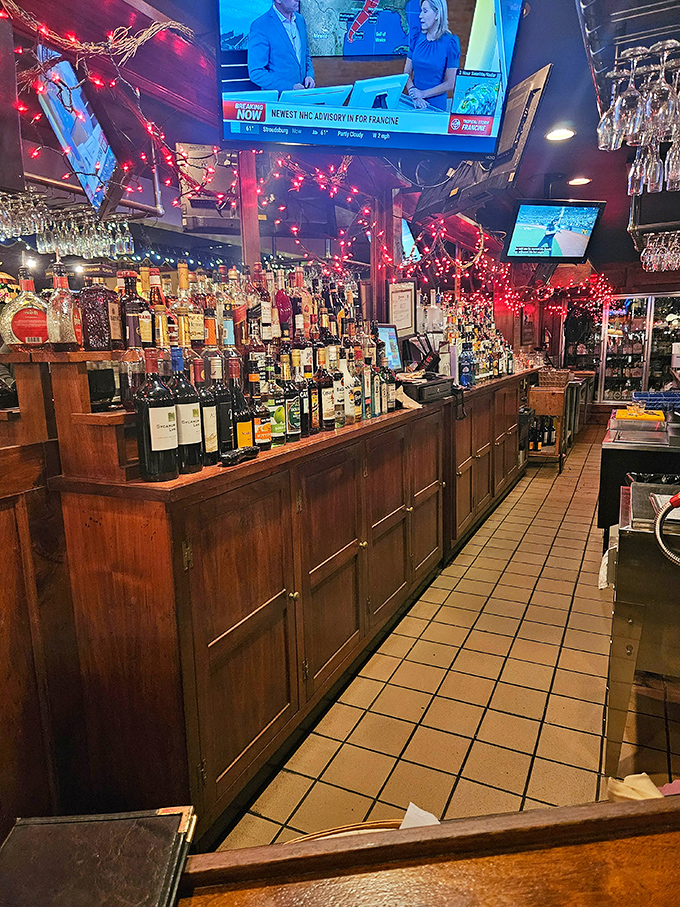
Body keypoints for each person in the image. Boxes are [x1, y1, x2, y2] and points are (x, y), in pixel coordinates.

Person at [248, 0, 315, 93]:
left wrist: (310, 75)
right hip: (279, 101)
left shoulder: (300, 20)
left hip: (303, 96)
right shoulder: (260, 26)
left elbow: (306, 55)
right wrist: (290, 87)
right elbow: (256, 72)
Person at [404, 0, 460, 111]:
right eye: (421, 11)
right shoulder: (416, 38)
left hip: (435, 106)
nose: (420, 16)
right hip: (414, 102)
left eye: (425, 11)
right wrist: (414, 94)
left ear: (437, 14)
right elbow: (406, 73)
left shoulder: (450, 43)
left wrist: (423, 94)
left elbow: (451, 83)